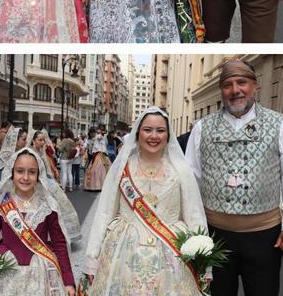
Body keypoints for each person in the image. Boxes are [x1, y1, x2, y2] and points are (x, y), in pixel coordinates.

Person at [185, 60, 283, 296]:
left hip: (264, 237)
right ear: (221, 90)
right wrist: (193, 229)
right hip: (215, 235)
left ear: (254, 86)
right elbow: (191, 179)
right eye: (228, 85)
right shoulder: (202, 128)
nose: (235, 90)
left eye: (242, 82)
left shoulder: (279, 124)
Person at [81, 107, 207, 295]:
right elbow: (105, 212)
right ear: (138, 132)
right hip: (123, 254)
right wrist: (92, 258)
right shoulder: (122, 168)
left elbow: (194, 214)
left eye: (160, 130)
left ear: (168, 135)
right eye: (148, 129)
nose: (153, 136)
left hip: (172, 256)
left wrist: (203, 260)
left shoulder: (181, 170)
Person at [0, 148, 76, 295]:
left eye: (32, 172)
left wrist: (68, 281)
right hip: (5, 271)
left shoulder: (48, 205)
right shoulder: (0, 204)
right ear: (12, 173)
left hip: (40, 271)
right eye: (20, 171)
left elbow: (60, 244)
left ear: (38, 175)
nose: (25, 177)